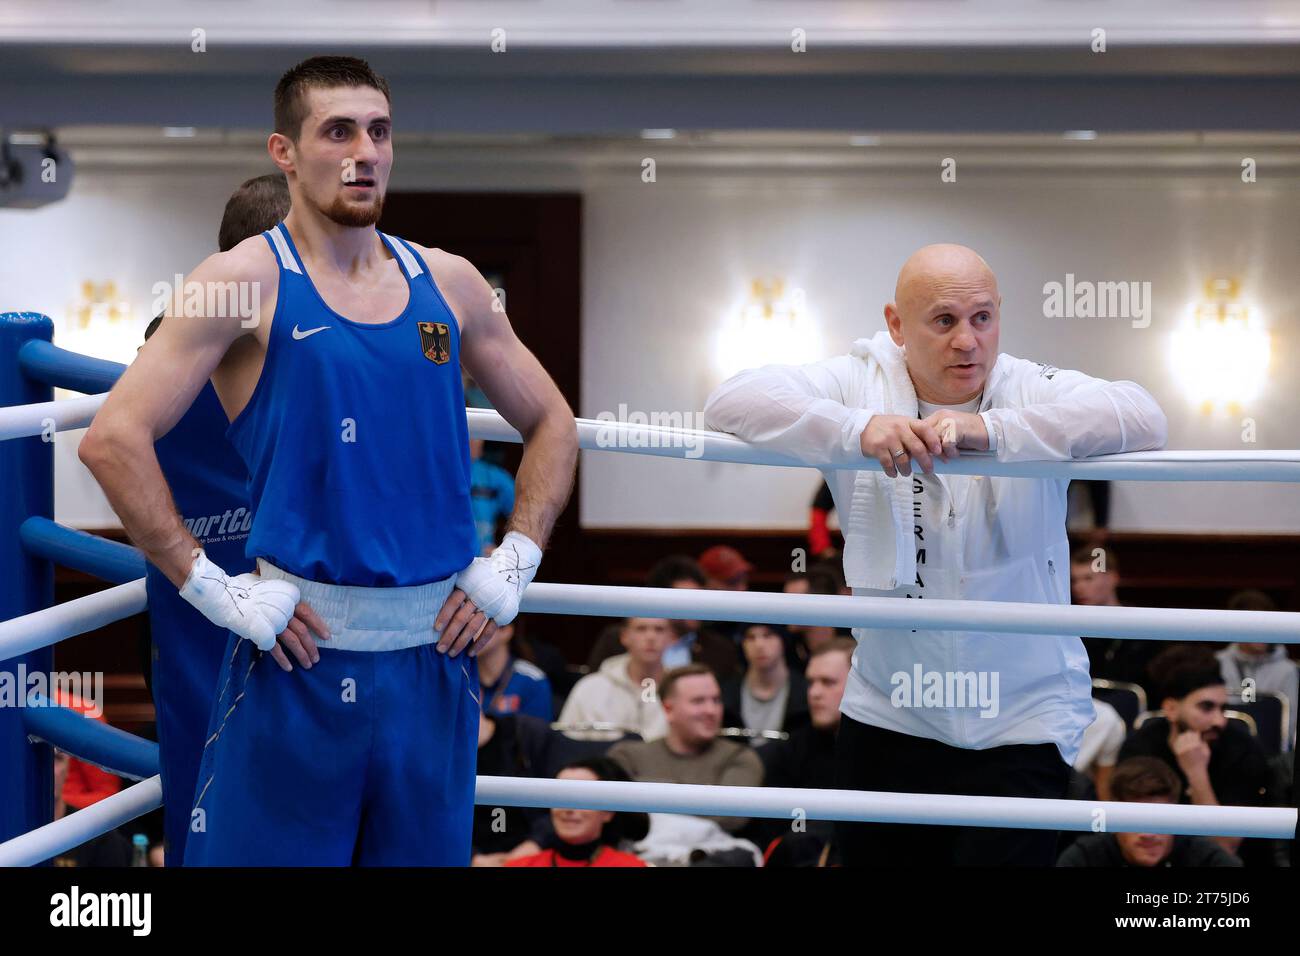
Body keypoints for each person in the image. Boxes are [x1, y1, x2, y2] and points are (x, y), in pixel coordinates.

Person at [78, 55, 578, 865]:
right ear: (285, 150)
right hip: (296, 655)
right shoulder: (240, 281)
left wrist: (517, 555)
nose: (364, 152)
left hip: (434, 658)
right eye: (337, 130)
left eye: (378, 131)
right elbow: (113, 438)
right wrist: (208, 583)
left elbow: (553, 419)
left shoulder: (447, 282)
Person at [704, 242, 1167, 866]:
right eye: (944, 321)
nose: (968, 341)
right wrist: (854, 429)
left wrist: (995, 433)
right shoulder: (856, 380)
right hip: (891, 713)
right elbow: (731, 401)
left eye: (982, 318)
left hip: (1022, 717)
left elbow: (1142, 414)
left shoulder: (1026, 386)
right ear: (897, 325)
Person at [141, 170, 290, 866]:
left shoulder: (164, 343)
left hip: (203, 604)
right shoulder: (184, 345)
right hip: (242, 609)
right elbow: (107, 445)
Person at [1118, 644, 1276, 866]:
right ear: (1171, 709)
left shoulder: (1243, 749)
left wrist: (1196, 773)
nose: (1219, 721)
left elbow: (1224, 846)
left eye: (1222, 709)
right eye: (1206, 707)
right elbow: (1128, 839)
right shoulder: (1140, 747)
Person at [608, 664, 763, 835]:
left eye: (716, 700)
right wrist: (704, 803)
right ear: (668, 710)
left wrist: (648, 799)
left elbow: (731, 817)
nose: (711, 710)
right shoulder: (627, 756)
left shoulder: (739, 757)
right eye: (698, 701)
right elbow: (613, 817)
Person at [1056, 757, 1242, 867]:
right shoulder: (1084, 858)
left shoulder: (1206, 859)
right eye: (1136, 821)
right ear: (1114, 819)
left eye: (1159, 821)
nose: (1148, 834)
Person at [506, 757, 650, 867]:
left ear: (608, 812)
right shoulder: (520, 865)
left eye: (581, 799)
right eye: (560, 797)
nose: (568, 809)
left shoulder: (629, 866)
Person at [559, 617, 672, 741]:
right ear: (624, 636)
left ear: (671, 638)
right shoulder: (590, 687)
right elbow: (567, 743)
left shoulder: (683, 690)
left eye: (659, 630)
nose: (651, 637)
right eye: (641, 629)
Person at [1215, 589, 1297, 751]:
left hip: (1270, 754)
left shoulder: (1287, 670)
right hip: (1223, 749)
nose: (1262, 631)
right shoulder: (1217, 662)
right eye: (1255, 625)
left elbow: (1290, 728)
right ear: (1236, 626)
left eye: (1267, 624)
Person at [1071, 545, 1164, 686]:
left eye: (1088, 578)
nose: (1078, 587)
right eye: (1074, 580)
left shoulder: (1141, 624)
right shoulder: (1069, 626)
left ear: (1112, 578)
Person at [720, 623, 808, 745]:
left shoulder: (806, 692)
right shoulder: (725, 694)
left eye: (768, 635)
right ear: (742, 644)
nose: (759, 645)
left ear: (783, 641)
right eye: (750, 637)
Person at [477, 619, 553, 721]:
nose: (469, 632)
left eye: (479, 623)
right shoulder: (459, 673)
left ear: (506, 631)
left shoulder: (532, 680)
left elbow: (537, 734)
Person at [469, 437, 515, 555]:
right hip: (445, 561)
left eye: (478, 436)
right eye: (469, 433)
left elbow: (525, 514)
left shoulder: (495, 476)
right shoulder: (437, 472)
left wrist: (509, 551)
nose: (475, 440)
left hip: (483, 559)